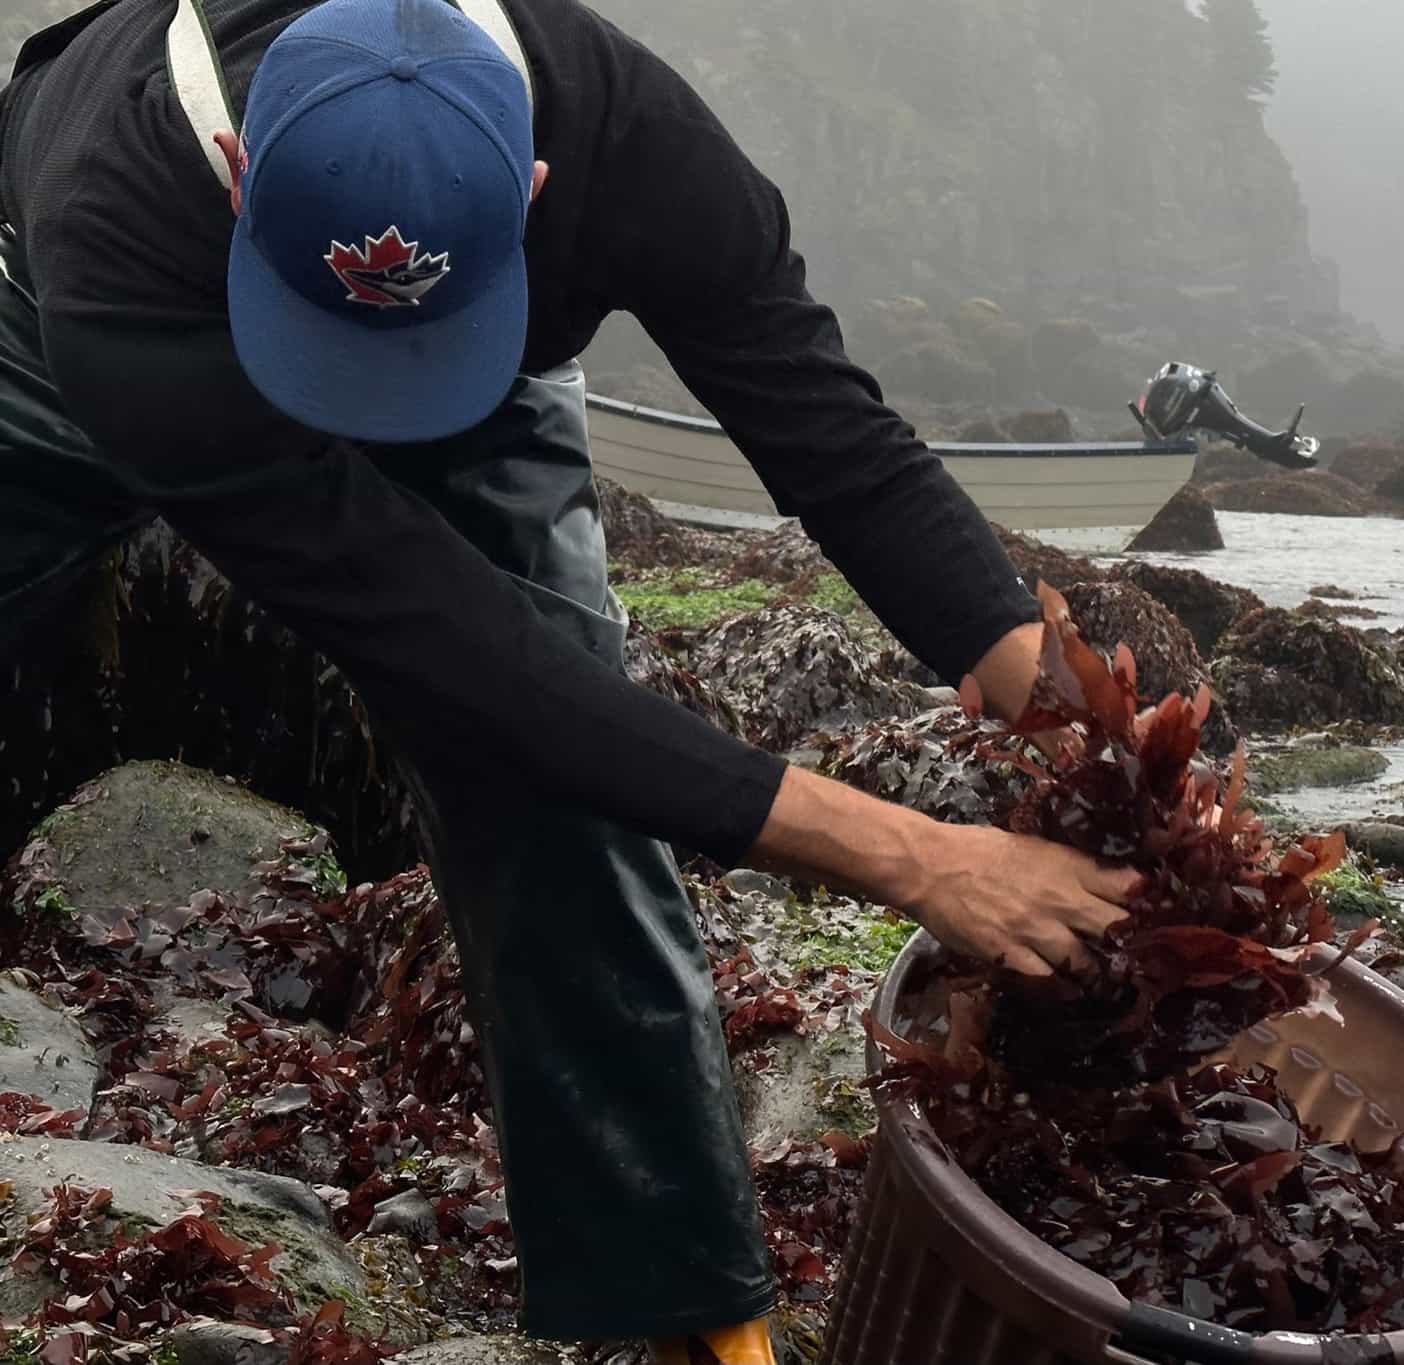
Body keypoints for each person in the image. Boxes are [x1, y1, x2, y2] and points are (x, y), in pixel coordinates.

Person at [0, 0, 1137, 1361]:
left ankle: (689, 1315)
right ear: (243, 172)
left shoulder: (632, 138)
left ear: (533, 183)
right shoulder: (113, 220)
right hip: (109, 330)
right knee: (517, 712)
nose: (367, 416)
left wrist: (1071, 708)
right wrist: (914, 854)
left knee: (563, 811)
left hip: (475, 375)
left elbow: (830, 435)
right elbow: (468, 661)